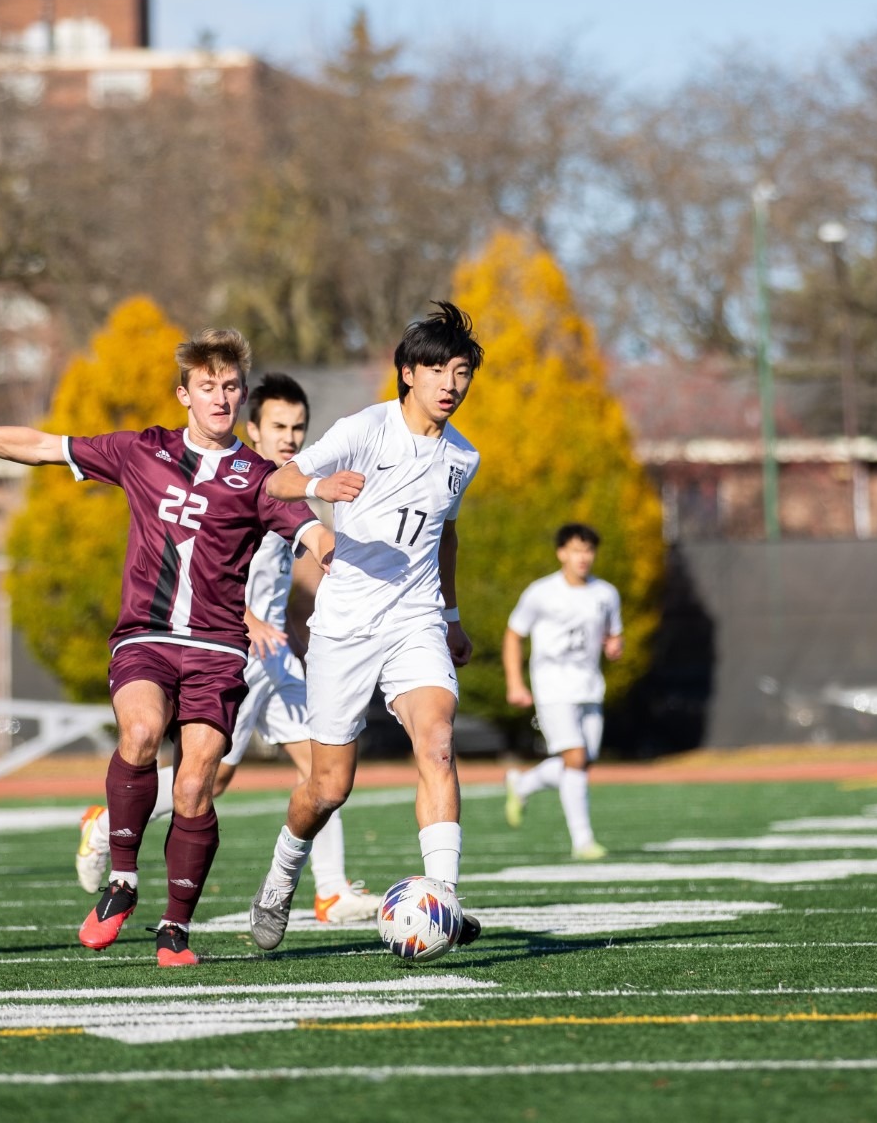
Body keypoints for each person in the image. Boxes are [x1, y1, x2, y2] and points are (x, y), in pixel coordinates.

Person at [0, 328, 331, 968]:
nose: (220, 398)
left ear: (242, 396)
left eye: (231, 387)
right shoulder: (142, 450)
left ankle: (174, 932)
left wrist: (337, 556)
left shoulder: (260, 476)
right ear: (183, 393)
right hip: (146, 637)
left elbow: (312, 533)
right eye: (207, 387)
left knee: (194, 788)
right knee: (139, 733)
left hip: (217, 650)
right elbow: (43, 446)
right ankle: (122, 880)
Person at [74, 373, 377, 924]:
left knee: (323, 773)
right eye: (278, 427)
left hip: (275, 656)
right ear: (252, 427)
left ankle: (330, 889)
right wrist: (249, 620)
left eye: (299, 428)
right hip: (228, 648)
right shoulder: (243, 484)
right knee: (210, 780)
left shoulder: (283, 488)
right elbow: (202, 580)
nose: (290, 438)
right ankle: (104, 825)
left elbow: (284, 567)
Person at [248, 301, 484, 951]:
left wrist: (452, 616)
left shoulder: (464, 458)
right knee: (328, 787)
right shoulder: (366, 427)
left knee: (437, 743)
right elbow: (278, 482)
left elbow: (446, 538)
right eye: (437, 369)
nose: (450, 384)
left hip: (414, 622)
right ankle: (279, 879)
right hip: (345, 626)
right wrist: (325, 484)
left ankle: (446, 900)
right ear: (408, 372)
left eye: (461, 372)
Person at [502, 523, 624, 860]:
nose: (582, 557)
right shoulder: (541, 592)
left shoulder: (606, 593)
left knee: (582, 763)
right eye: (575, 549)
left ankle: (523, 783)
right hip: (552, 686)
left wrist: (615, 645)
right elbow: (514, 634)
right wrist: (515, 682)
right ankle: (583, 841)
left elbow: (614, 634)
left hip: (589, 687)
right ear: (561, 553)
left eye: (588, 550)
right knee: (575, 759)